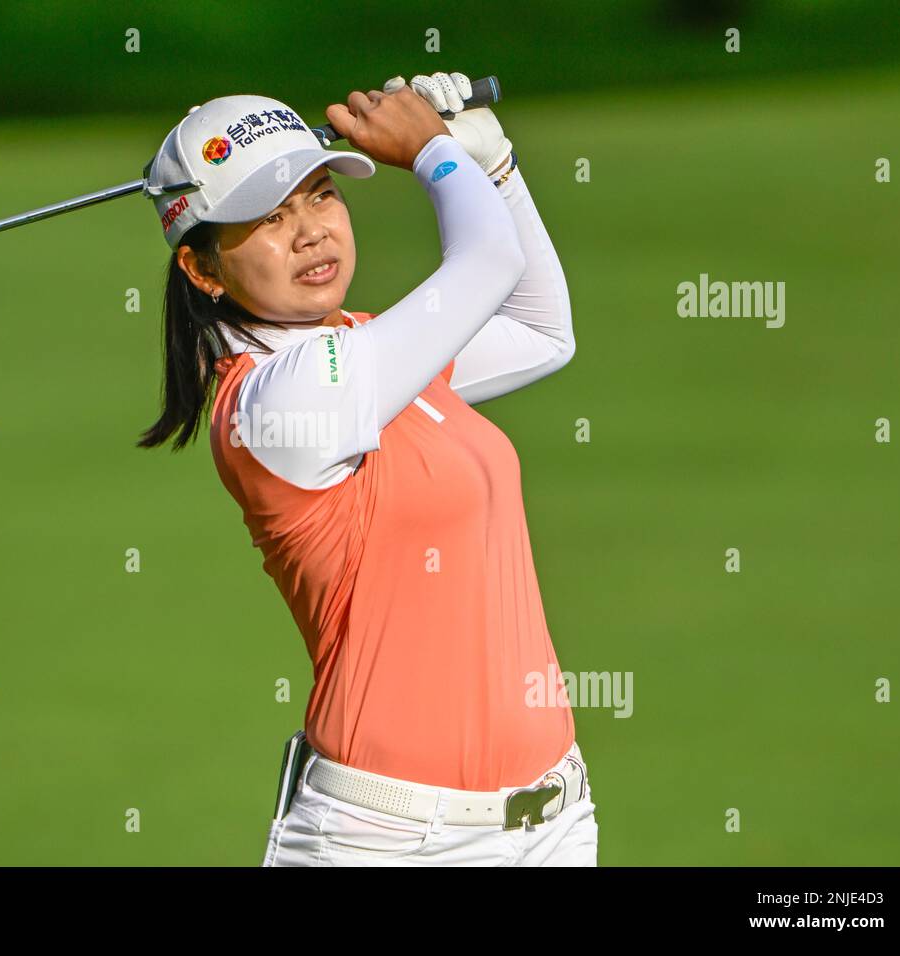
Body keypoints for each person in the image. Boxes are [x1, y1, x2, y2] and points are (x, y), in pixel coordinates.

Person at [139, 71, 594, 866]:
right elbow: (485, 262)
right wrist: (432, 152)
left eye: (320, 196)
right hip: (389, 844)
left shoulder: (368, 350)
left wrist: (495, 168)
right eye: (267, 218)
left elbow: (540, 331)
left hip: (551, 828)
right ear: (204, 271)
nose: (310, 231)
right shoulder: (281, 402)